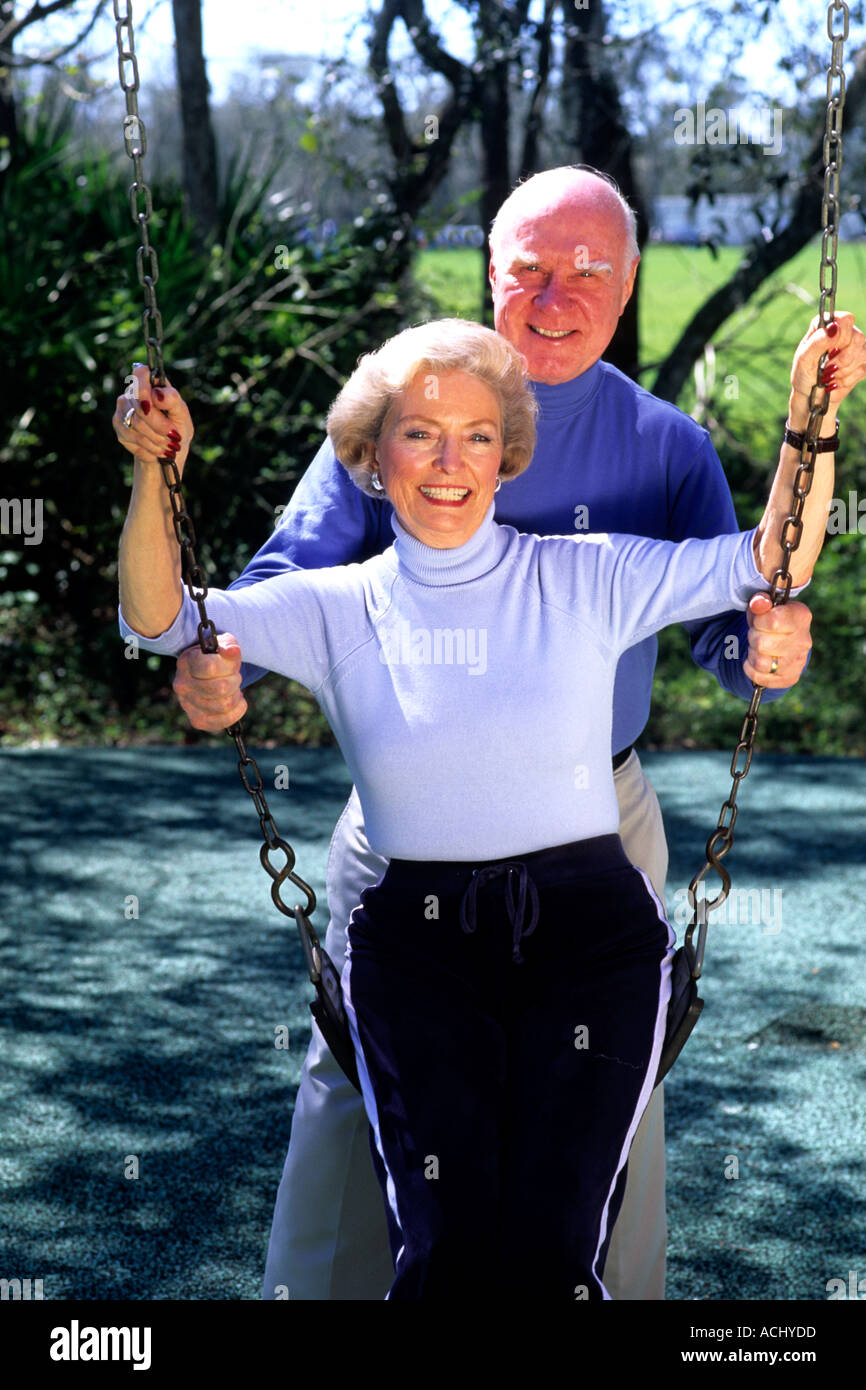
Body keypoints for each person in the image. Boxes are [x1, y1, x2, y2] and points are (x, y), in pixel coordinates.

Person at [116, 312, 862, 1299]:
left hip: (587, 936)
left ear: (505, 458)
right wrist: (149, 468)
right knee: (443, 1253)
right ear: (372, 457)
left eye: (474, 435)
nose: (447, 460)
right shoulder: (337, 604)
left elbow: (770, 562)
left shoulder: (584, 576)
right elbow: (160, 617)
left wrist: (811, 417)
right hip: (417, 948)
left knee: (555, 1253)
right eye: (418, 432)